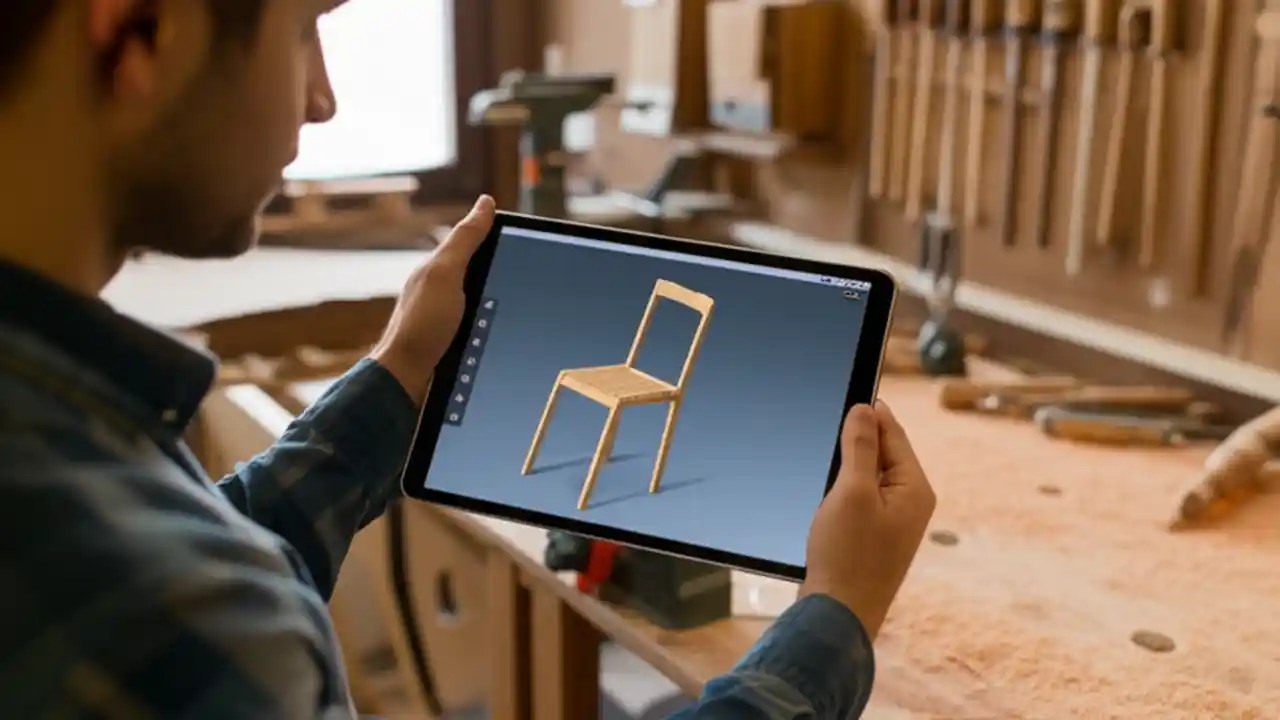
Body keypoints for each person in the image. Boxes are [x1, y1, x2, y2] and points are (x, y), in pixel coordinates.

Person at [0, 1, 937, 717]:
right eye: (303, 29)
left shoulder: (70, 471)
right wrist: (835, 619)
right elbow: (185, 595)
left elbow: (198, 559)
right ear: (138, 29)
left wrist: (402, 374)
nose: (323, 98)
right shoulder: (157, 599)